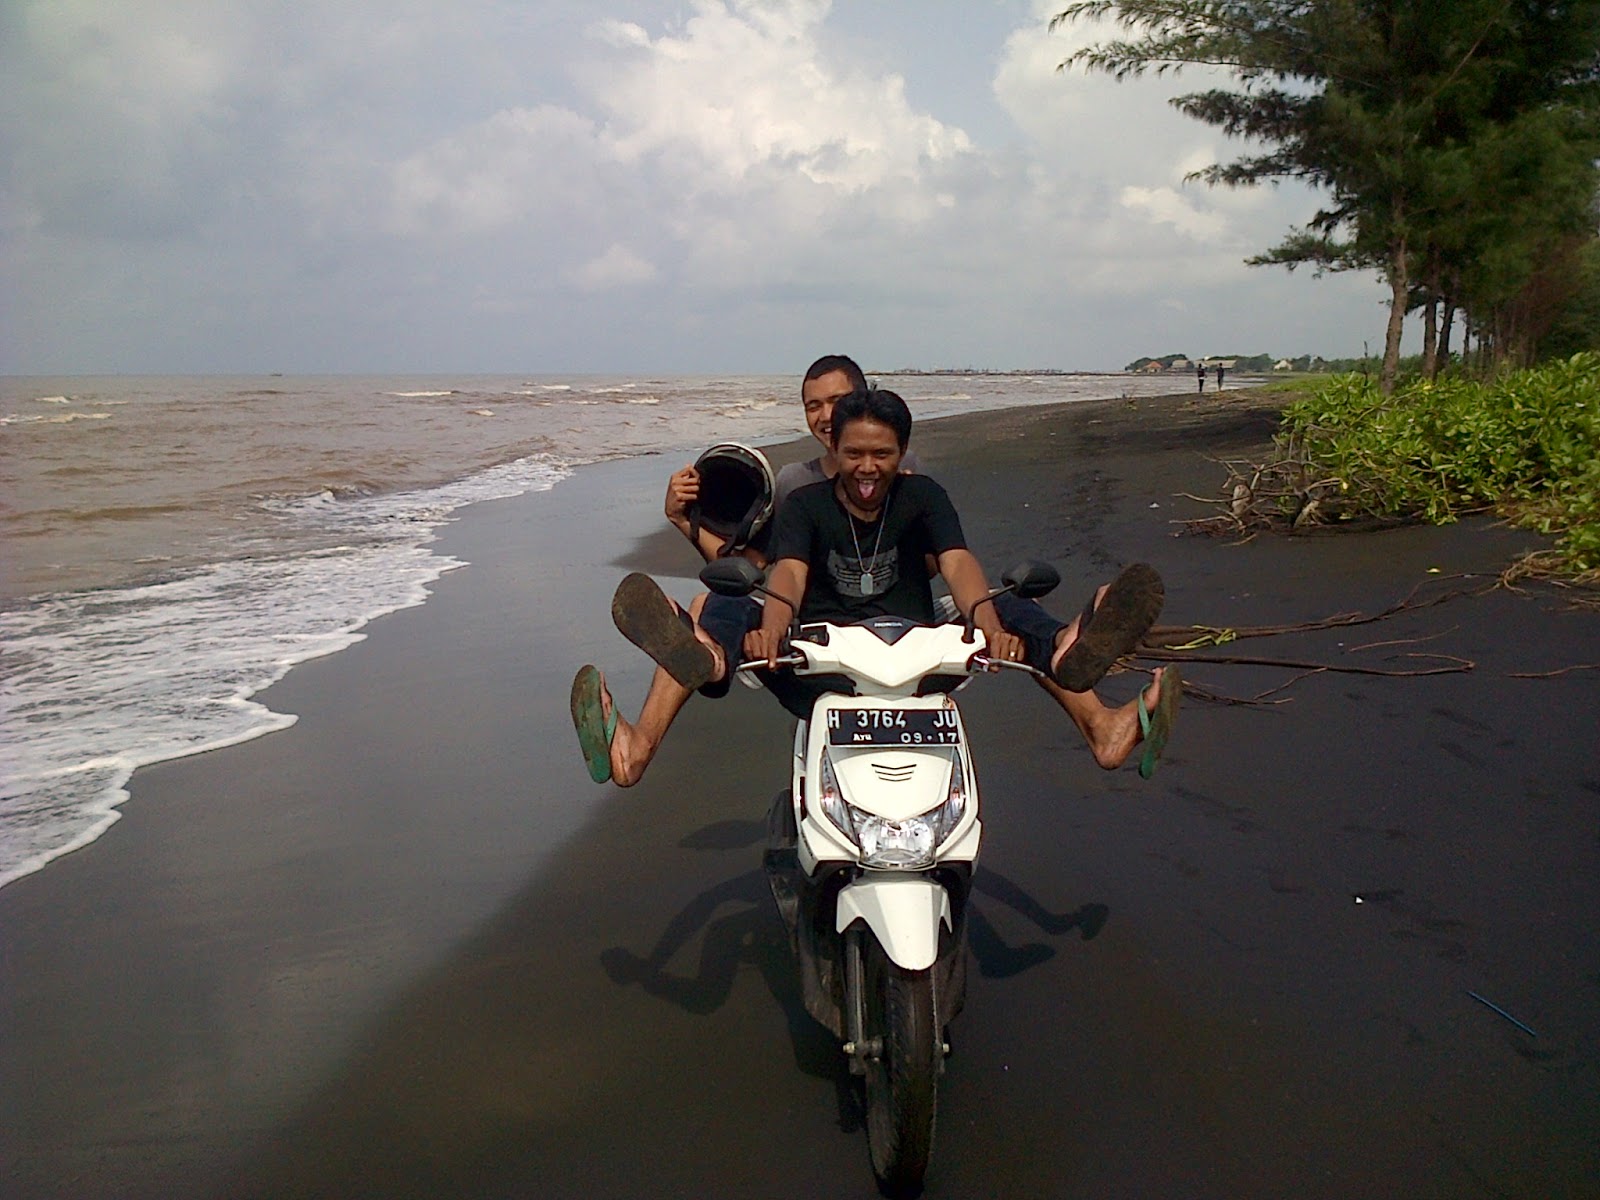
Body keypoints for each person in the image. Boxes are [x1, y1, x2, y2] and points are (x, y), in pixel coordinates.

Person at [571, 387, 1179, 788]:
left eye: (882, 454)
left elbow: (959, 563)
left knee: (1015, 604)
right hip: (816, 662)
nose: (867, 467)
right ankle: (700, 666)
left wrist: (991, 628)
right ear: (833, 448)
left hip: (917, 658)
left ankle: (1071, 657)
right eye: (855, 453)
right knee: (724, 606)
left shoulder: (924, 497)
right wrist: (772, 627)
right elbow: (788, 574)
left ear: (902, 451)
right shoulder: (805, 504)